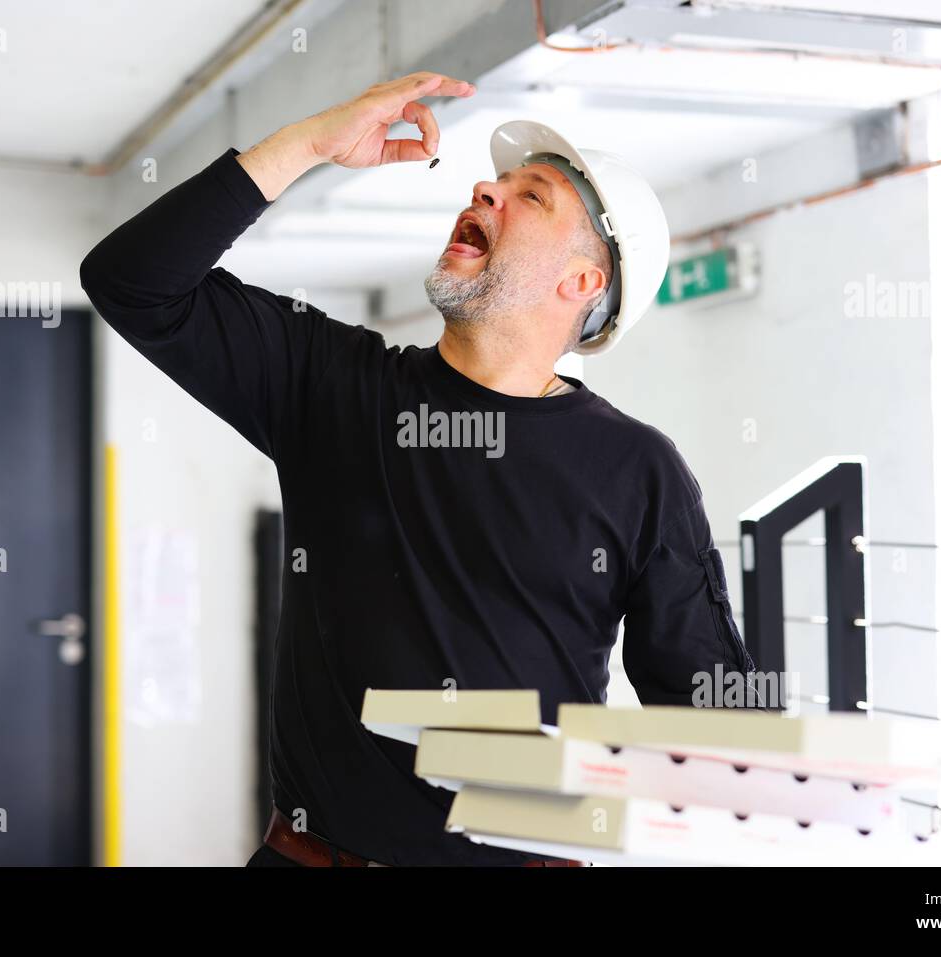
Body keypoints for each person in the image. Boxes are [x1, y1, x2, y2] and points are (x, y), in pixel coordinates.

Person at [81, 71, 756, 867]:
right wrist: (309, 142)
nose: (484, 189)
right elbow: (130, 282)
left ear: (583, 282)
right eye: (495, 182)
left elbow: (713, 730)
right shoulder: (332, 386)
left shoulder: (640, 471)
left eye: (530, 196)